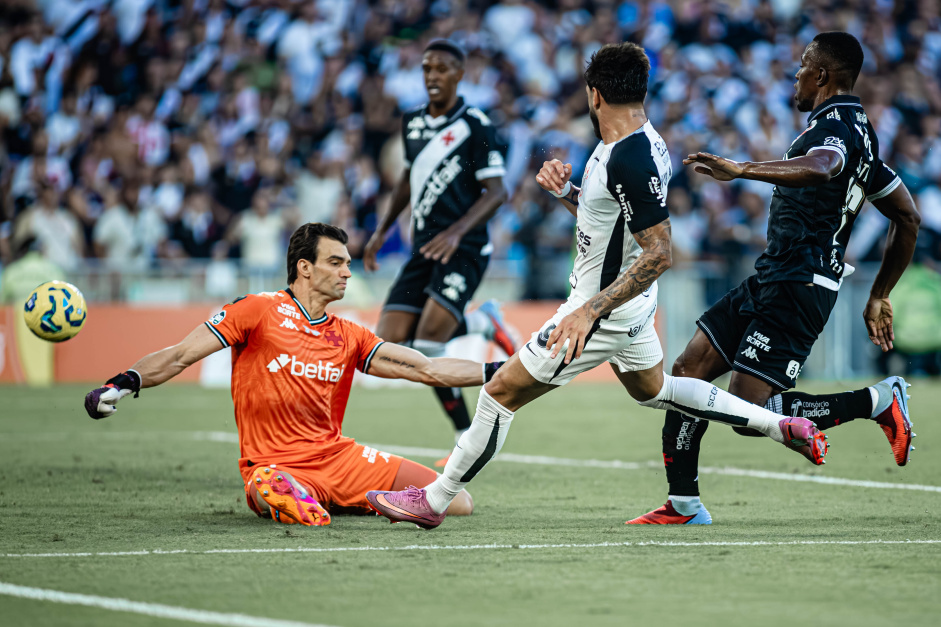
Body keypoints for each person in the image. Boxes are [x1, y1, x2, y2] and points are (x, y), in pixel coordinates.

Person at [365, 42, 828, 530]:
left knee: (500, 392)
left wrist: (588, 313)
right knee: (657, 390)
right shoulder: (639, 141)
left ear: (594, 95)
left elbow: (659, 252)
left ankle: (434, 501)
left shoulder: (627, 155)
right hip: (628, 308)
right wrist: (567, 193)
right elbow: (618, 224)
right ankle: (779, 425)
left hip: (598, 311)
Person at [628, 32, 921, 525]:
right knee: (687, 372)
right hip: (771, 275)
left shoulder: (839, 130)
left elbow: (823, 167)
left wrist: (742, 169)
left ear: (823, 75)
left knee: (746, 408)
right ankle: (683, 504)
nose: (797, 76)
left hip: (801, 284)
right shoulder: (860, 136)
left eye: (804, 66)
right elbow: (907, 217)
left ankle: (877, 400)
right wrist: (879, 293)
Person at [83, 223, 502, 526]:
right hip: (275, 463)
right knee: (270, 484)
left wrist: (501, 371)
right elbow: (179, 355)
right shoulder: (256, 310)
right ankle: (283, 493)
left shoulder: (349, 334)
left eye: (348, 264)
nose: (347, 273)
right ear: (305, 268)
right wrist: (122, 383)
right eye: (336, 263)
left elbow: (425, 368)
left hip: (338, 457)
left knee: (455, 500)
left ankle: (337, 500)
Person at [363, 39, 516, 463]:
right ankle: (480, 322)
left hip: (464, 247)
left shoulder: (476, 124)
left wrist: (456, 231)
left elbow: (498, 191)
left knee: (428, 345)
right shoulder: (411, 123)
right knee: (390, 341)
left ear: (459, 75)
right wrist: (381, 232)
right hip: (422, 247)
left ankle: (466, 434)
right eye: (427, 68)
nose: (432, 76)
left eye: (442, 69)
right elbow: (408, 178)